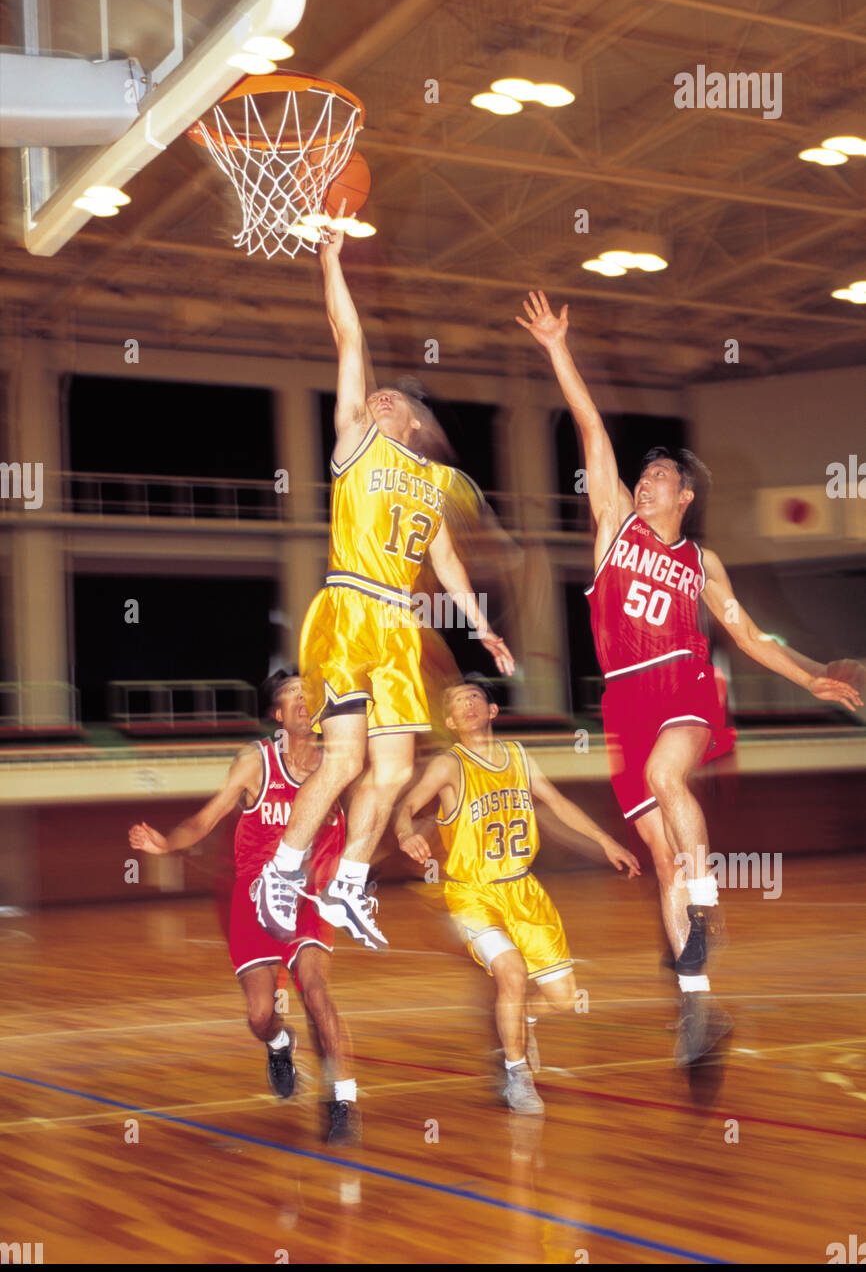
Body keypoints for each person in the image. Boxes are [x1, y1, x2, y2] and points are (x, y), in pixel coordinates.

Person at [517, 289, 864, 1064]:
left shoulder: (700, 561)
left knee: (668, 780)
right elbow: (591, 429)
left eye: (662, 478)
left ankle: (705, 913)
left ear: (686, 495)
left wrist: (809, 676)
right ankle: (698, 1011)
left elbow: (744, 633)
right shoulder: (611, 526)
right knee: (664, 858)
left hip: (682, 686)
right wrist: (555, 351)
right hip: (623, 699)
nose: (646, 484)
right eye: (642, 479)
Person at [254, 222, 514, 953]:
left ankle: (347, 883)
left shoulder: (431, 482)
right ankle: (280, 869)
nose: (380, 400)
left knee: (395, 769)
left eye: (395, 399)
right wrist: (332, 260)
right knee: (344, 759)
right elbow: (348, 338)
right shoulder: (353, 443)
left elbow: (449, 564)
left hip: (400, 624)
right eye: (378, 394)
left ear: (417, 424)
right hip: (348, 608)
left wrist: (479, 626)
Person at [128, 670, 360, 1145]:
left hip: (309, 897)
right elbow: (205, 819)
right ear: (278, 714)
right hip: (255, 895)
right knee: (259, 1015)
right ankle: (278, 1042)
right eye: (293, 692)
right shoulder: (256, 763)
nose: (304, 697)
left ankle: (342, 1100)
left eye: (309, 692)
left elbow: (369, 816)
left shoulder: (341, 764)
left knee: (317, 992)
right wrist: (167, 843)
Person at [394, 677, 640, 1114]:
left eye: (475, 697)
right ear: (450, 722)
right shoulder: (449, 765)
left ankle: (523, 1022)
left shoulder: (520, 757)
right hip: (472, 893)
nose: (467, 704)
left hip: (525, 891)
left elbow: (558, 804)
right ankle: (517, 1075)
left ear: (492, 711)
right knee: (510, 972)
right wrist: (405, 832)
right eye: (456, 702)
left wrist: (607, 841)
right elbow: (407, 804)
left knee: (564, 999)